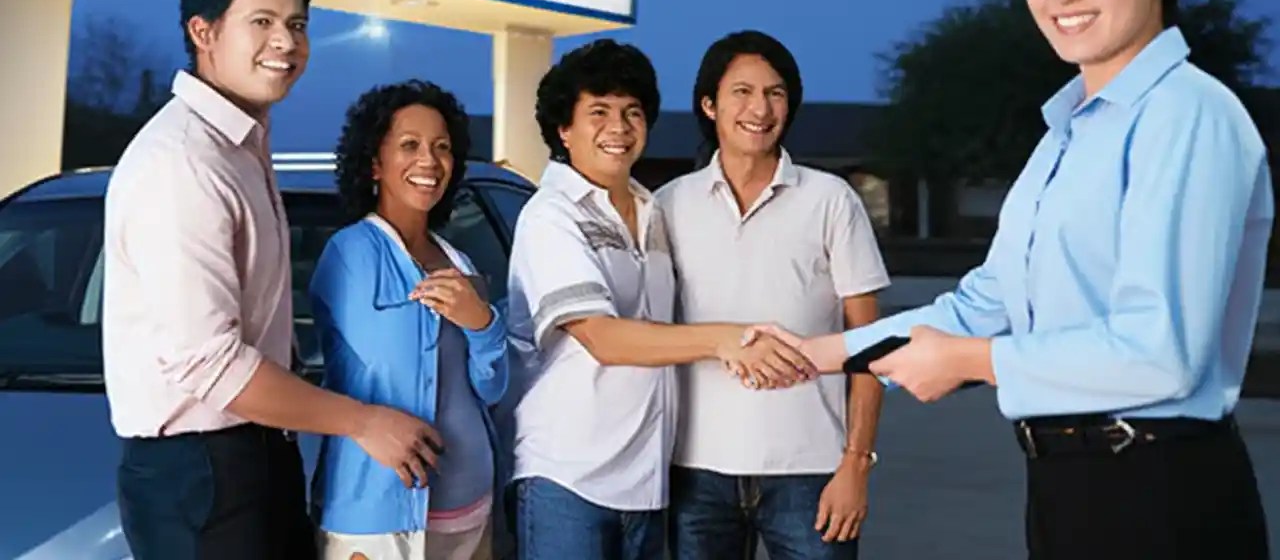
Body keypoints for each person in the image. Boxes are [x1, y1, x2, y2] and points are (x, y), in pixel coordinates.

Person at [788, 0, 1272, 559]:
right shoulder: (1067, 134)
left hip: (1157, 490)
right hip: (1066, 485)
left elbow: (1160, 353)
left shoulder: (1187, 115)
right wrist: (817, 353)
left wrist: (968, 361)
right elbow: (985, 303)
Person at [102, 0, 443, 559]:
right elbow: (208, 363)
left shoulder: (240, 145)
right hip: (203, 476)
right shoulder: (182, 162)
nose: (285, 42)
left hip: (254, 456)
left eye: (297, 25)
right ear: (203, 31)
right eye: (261, 22)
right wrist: (363, 421)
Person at [505, 39, 817, 560]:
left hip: (647, 485)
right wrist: (726, 340)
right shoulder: (551, 216)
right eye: (598, 113)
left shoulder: (654, 210)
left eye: (632, 113)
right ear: (564, 129)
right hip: (568, 479)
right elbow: (602, 337)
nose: (619, 128)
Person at [656, 30, 891, 560]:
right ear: (709, 105)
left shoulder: (831, 200)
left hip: (812, 471)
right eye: (742, 92)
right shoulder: (669, 205)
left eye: (775, 93)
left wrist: (856, 465)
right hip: (695, 473)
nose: (760, 109)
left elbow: (870, 344)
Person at [308, 80, 510, 560]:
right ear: (374, 164)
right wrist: (460, 310)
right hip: (381, 513)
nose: (429, 161)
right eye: (409, 145)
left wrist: (482, 323)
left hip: (471, 507)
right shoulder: (352, 253)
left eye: (442, 147)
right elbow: (390, 364)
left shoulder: (458, 260)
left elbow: (493, 387)